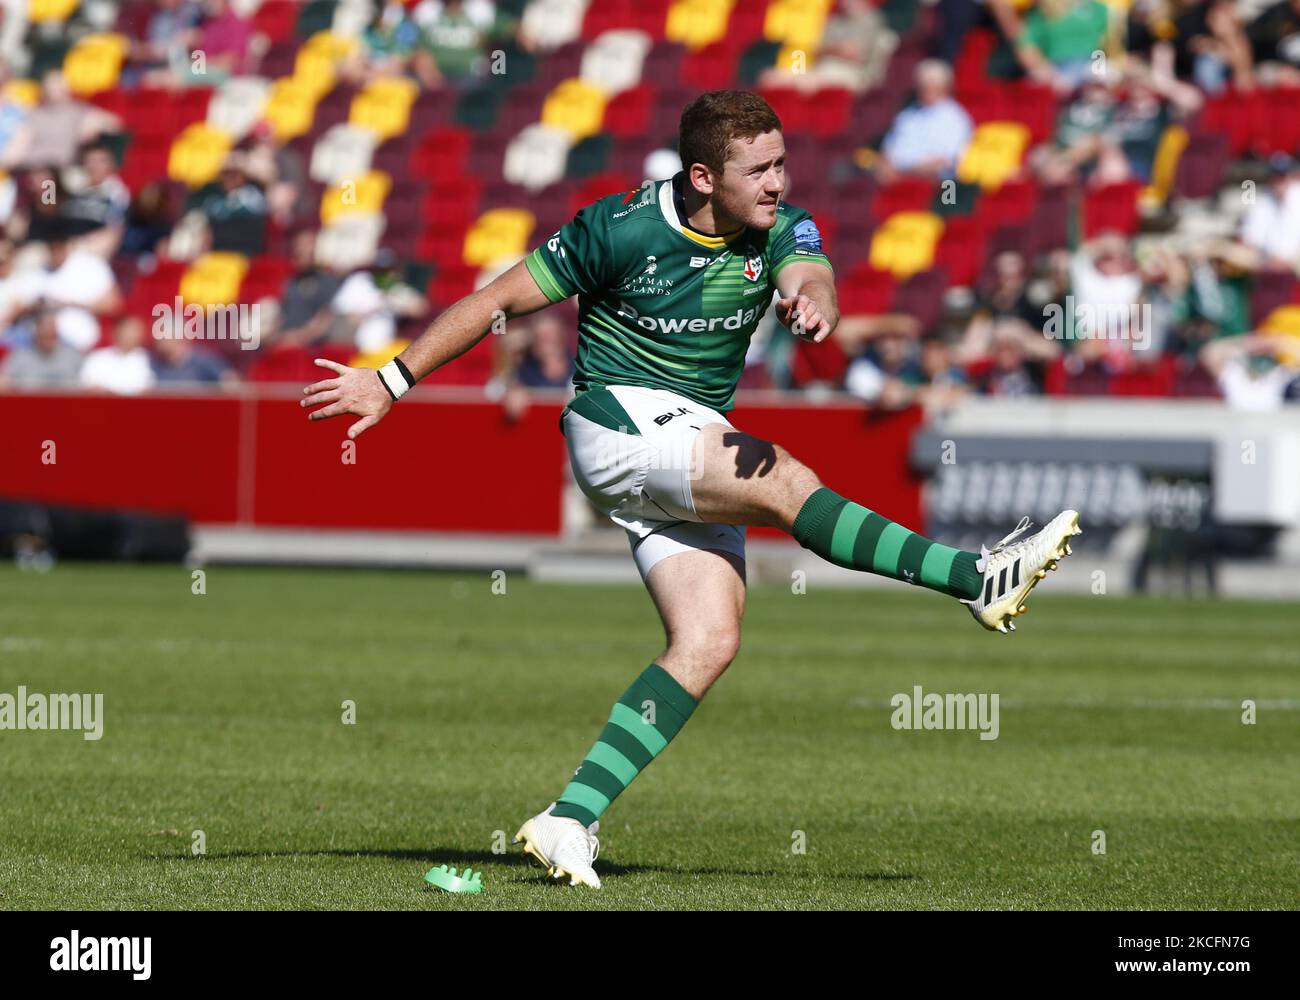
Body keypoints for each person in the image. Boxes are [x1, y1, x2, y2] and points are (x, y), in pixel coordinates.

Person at [299, 91, 1082, 888]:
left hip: (684, 438)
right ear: (704, 176)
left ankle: (568, 817)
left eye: (782, 162)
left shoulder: (780, 225)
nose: (779, 182)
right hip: (616, 424)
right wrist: (390, 381)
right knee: (785, 480)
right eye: (760, 168)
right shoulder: (618, 228)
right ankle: (976, 577)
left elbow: (814, 272)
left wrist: (815, 301)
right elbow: (499, 300)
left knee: (708, 642)